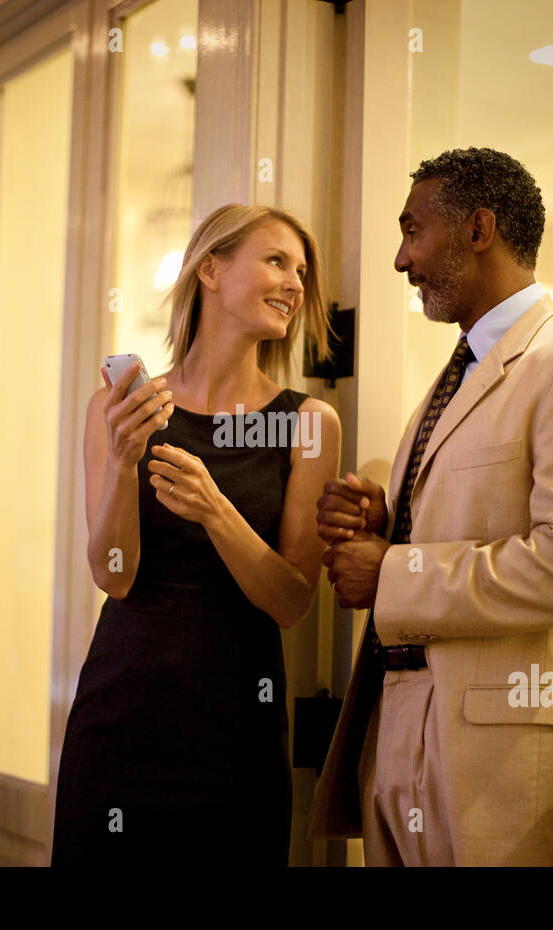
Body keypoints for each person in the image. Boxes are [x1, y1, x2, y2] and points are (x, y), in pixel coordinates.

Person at [308, 147, 553, 865]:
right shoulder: (455, 373)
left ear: (478, 229)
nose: (402, 261)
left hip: (508, 768)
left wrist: (392, 574)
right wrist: (388, 517)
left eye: (413, 231)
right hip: (401, 735)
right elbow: (473, 524)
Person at [52, 204, 341, 865]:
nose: (296, 282)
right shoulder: (119, 407)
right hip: (121, 713)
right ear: (211, 269)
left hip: (237, 724)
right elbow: (113, 574)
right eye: (276, 261)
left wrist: (217, 510)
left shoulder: (308, 423)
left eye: (301, 270)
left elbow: (293, 602)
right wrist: (125, 457)